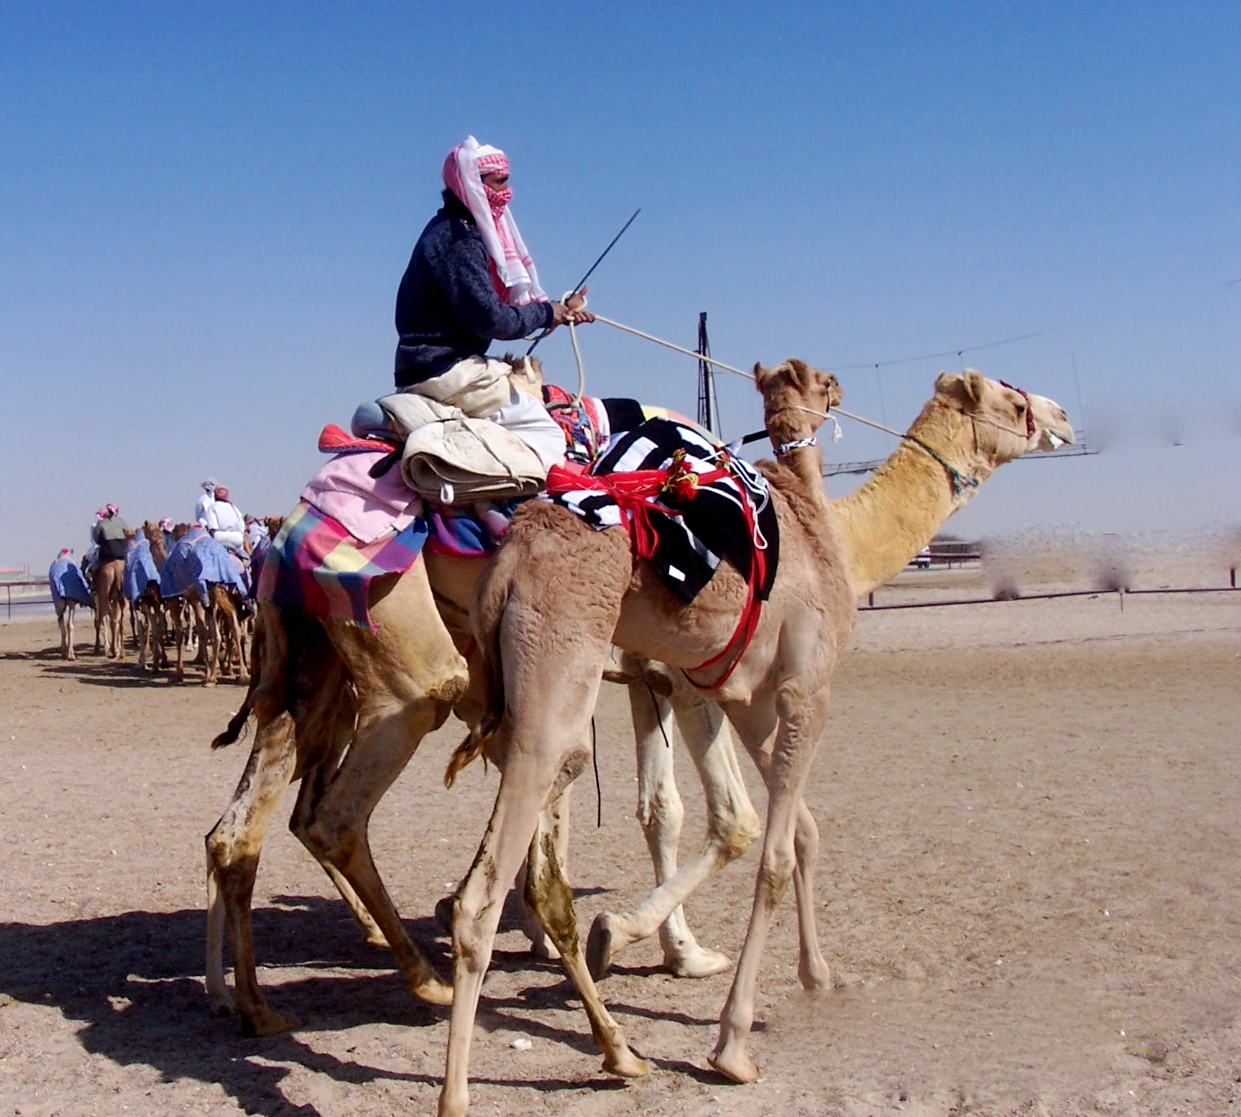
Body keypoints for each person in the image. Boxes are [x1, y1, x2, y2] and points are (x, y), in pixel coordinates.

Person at [392, 136, 593, 467]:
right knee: (548, 436)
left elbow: (495, 311)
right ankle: (495, 510)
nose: (507, 191)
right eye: (499, 182)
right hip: (444, 369)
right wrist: (545, 312)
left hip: (443, 364)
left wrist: (555, 311)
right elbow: (489, 319)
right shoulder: (460, 241)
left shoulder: (454, 231)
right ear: (472, 184)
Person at [205, 485, 246, 554]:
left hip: (219, 537)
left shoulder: (212, 507)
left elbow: (212, 528)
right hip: (237, 538)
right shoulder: (234, 508)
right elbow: (241, 528)